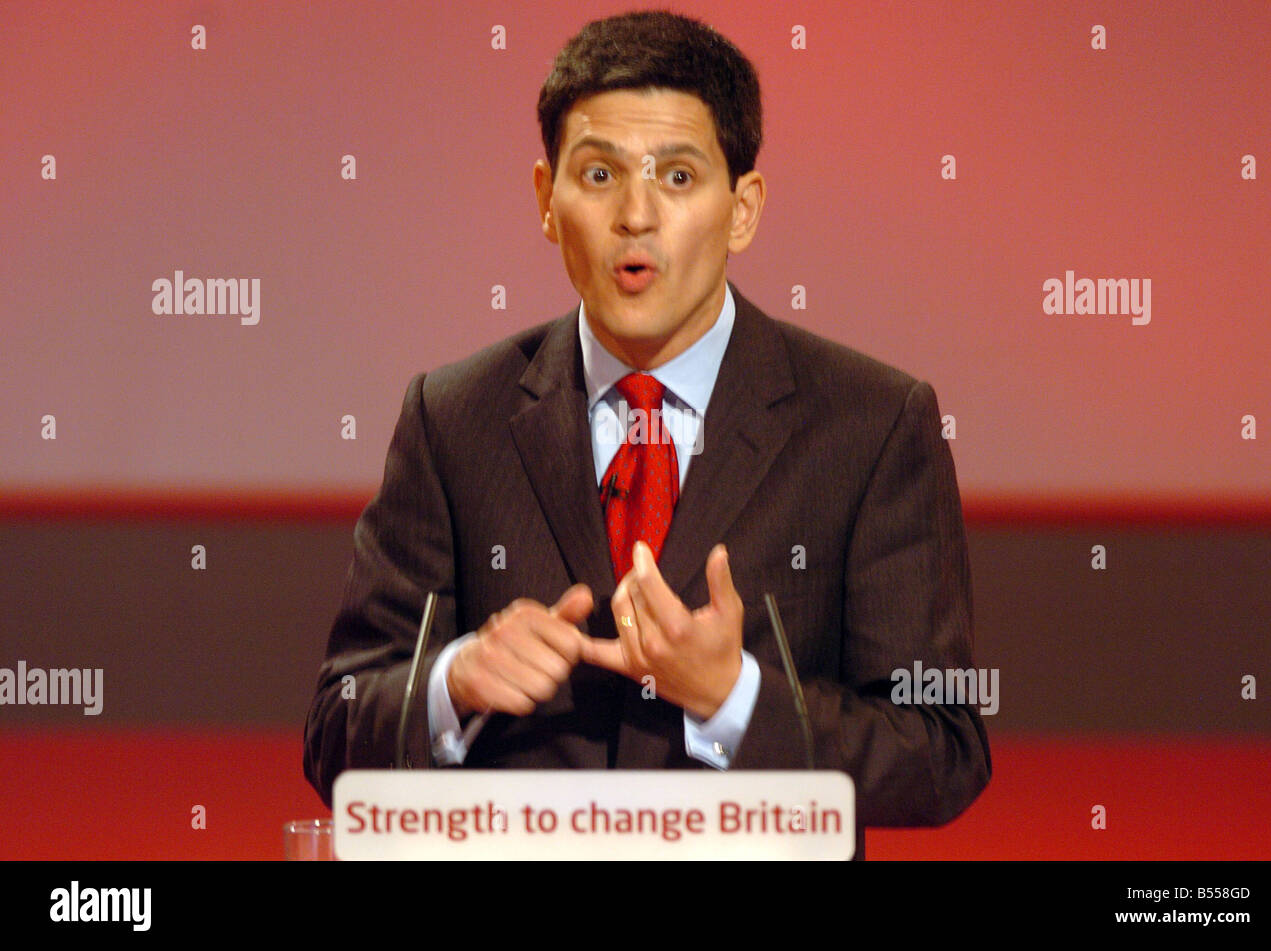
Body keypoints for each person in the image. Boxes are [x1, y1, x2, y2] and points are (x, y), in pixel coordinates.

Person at [303, 10, 990, 858]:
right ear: (547, 203)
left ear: (742, 209)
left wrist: (733, 695)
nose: (635, 214)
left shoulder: (873, 424)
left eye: (676, 175)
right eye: (598, 174)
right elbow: (335, 725)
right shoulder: (452, 417)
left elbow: (943, 748)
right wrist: (453, 683)